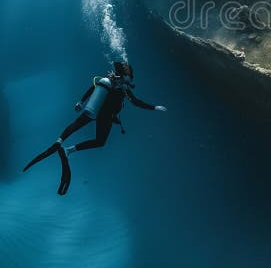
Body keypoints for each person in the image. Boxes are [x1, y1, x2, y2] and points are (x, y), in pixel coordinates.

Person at [23, 61, 166, 195]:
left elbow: (93, 88)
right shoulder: (123, 89)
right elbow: (136, 102)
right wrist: (154, 107)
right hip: (106, 116)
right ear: (126, 75)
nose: (130, 77)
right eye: (129, 74)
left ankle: (59, 142)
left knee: (77, 124)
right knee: (99, 142)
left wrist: (81, 101)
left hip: (94, 109)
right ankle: (68, 150)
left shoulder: (108, 80)